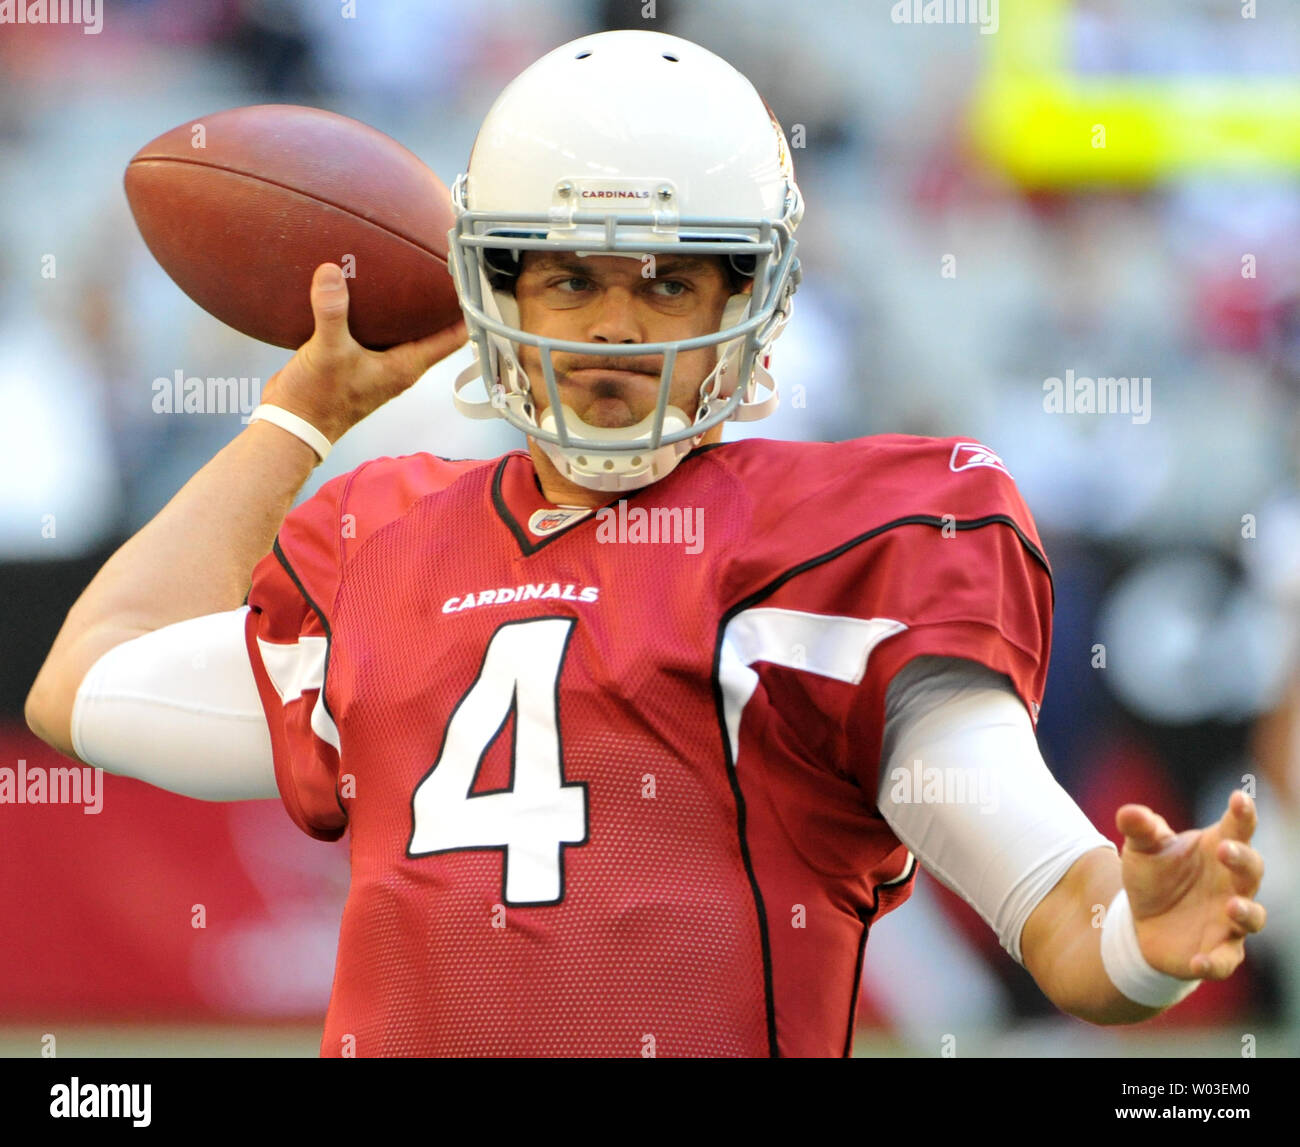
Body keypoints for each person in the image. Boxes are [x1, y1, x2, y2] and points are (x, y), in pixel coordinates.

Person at [26, 30, 1265, 1058]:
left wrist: (1136, 942)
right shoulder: (380, 538)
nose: (616, 327)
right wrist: (303, 414)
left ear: (753, 302)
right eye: (570, 279)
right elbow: (83, 680)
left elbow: (1055, 901)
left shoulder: (844, 543)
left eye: (668, 283)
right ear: (492, 289)